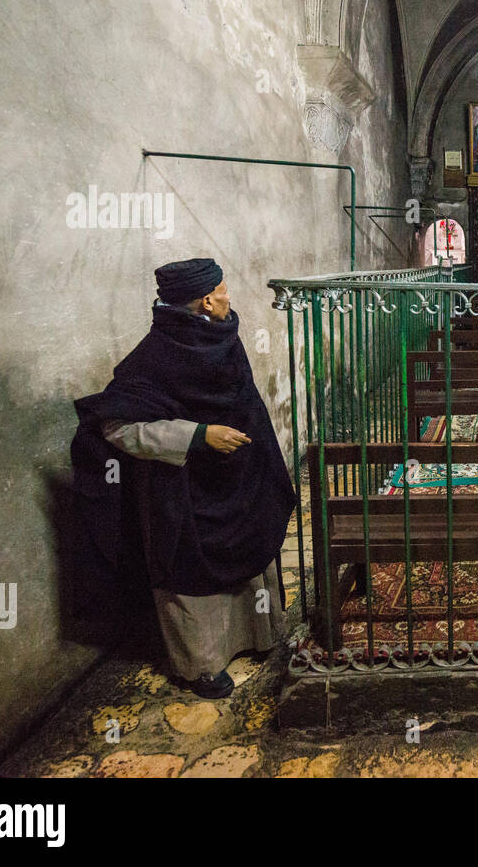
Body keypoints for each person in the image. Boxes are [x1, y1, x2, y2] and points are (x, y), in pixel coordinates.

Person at [70, 258, 295, 698]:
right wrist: (197, 436)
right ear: (208, 300)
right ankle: (203, 666)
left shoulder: (222, 336)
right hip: (184, 490)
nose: (230, 296)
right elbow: (116, 427)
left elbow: (239, 399)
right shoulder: (153, 358)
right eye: (225, 289)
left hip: (238, 475)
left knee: (249, 549)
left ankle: (259, 635)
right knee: (193, 578)